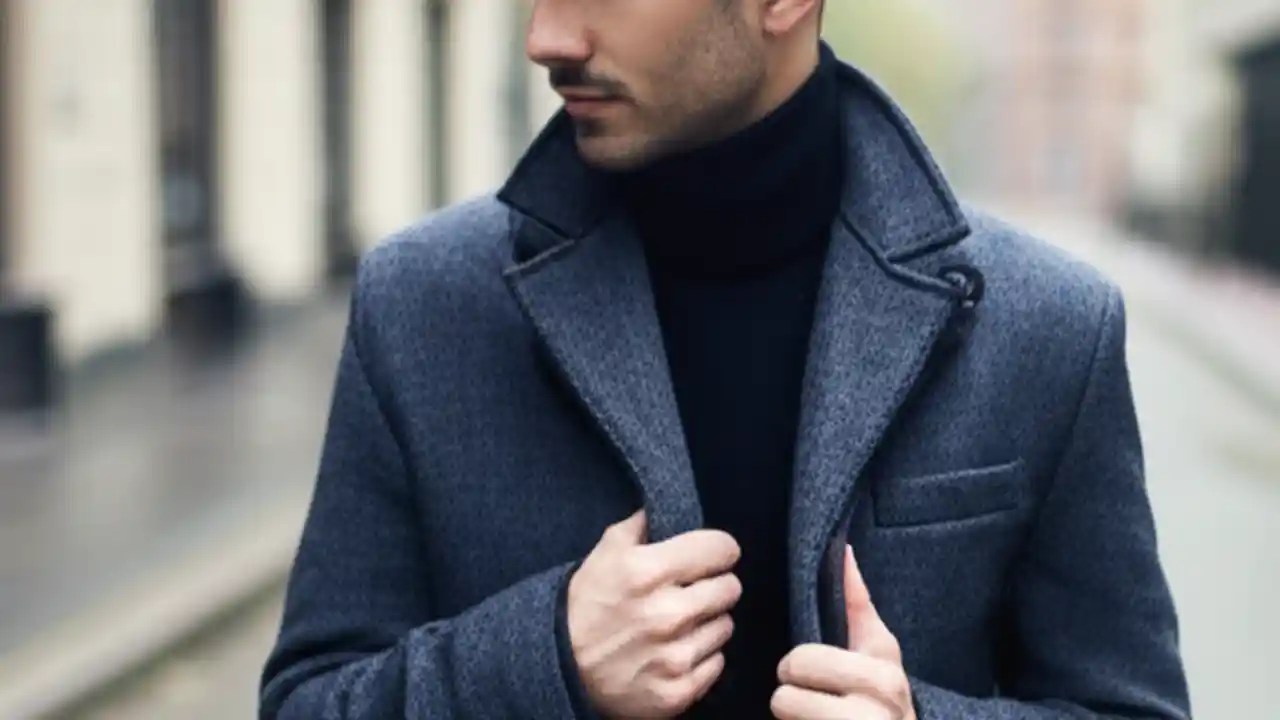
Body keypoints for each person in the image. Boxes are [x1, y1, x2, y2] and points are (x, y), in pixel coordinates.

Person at [258, 1, 1191, 718]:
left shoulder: (1049, 327)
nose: (546, 36)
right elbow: (306, 702)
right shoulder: (421, 304)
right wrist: (544, 661)